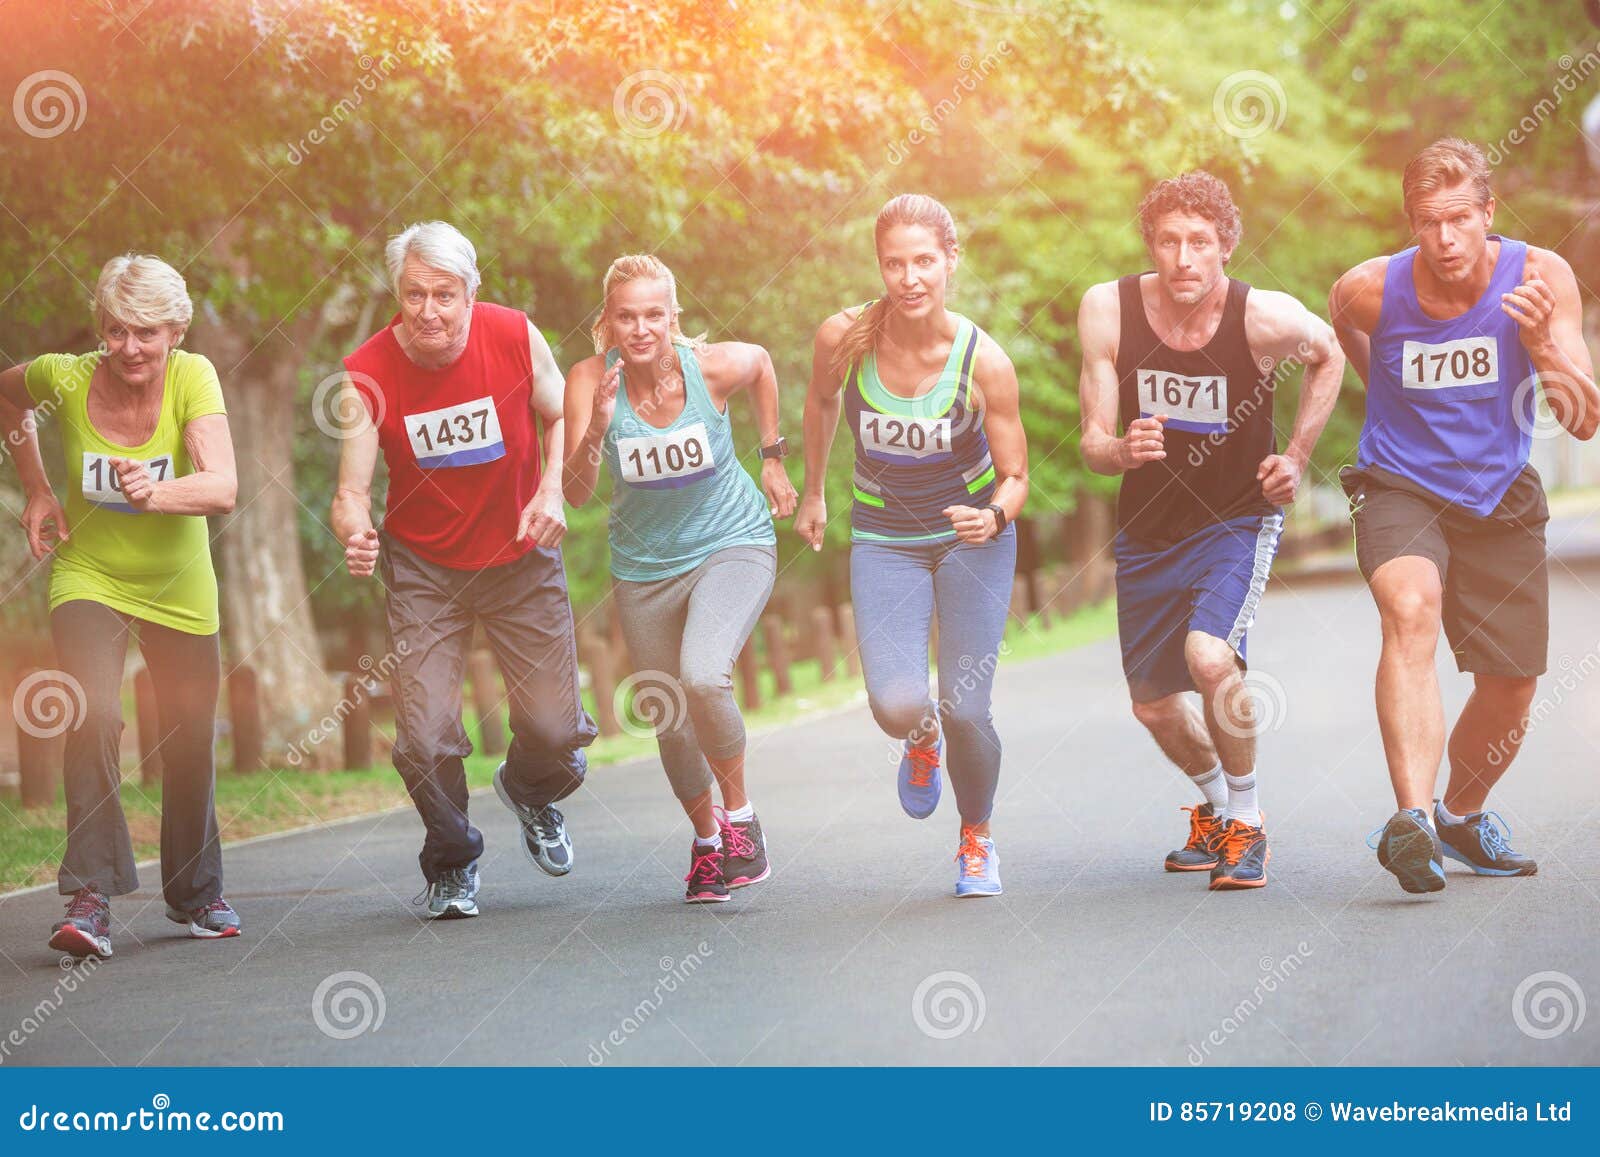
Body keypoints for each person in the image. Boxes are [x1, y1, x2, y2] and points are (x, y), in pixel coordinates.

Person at [1329, 139, 1598, 894]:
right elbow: (1343, 318)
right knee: (1410, 607)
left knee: (1512, 680)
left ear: (1488, 212)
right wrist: (1382, 384)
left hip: (1498, 489)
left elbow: (1583, 421)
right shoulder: (1373, 288)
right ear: (1410, 224)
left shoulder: (1542, 277)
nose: (1443, 239)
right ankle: (1411, 821)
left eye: (1457, 219)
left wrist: (1542, 342)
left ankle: (1460, 815)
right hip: (1399, 483)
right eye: (1426, 222)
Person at [1078, 171, 1344, 890]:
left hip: (1235, 519)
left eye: (1200, 242)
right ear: (1151, 246)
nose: (1183, 258)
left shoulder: (1264, 318)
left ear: (1227, 245)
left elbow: (1330, 355)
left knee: (1210, 658)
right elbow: (1092, 442)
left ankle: (1250, 825)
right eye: (1168, 241)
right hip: (1147, 530)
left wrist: (1295, 457)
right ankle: (1219, 806)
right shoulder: (1108, 311)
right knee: (1153, 705)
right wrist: (1121, 450)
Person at [332, 221, 597, 919]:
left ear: (471, 291)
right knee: (423, 733)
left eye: (444, 294)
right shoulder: (366, 371)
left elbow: (559, 413)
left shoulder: (513, 335)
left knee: (555, 728)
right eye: (414, 294)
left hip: (520, 551)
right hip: (425, 567)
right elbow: (350, 492)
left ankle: (531, 789)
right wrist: (356, 530)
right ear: (398, 293)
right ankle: (452, 861)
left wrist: (550, 488)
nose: (428, 311)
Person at [0, 255, 241, 957]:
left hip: (178, 581)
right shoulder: (64, 377)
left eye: (146, 332)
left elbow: (222, 485)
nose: (129, 347)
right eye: (114, 330)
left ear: (175, 330)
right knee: (94, 708)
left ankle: (196, 892)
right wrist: (39, 487)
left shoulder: (193, 377)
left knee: (190, 732)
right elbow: (7, 399)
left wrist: (157, 494)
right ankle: (90, 895)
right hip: (89, 575)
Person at [796, 193, 1029, 898]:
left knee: (968, 707)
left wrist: (992, 517)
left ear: (950, 260)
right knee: (898, 703)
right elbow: (820, 400)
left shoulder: (984, 360)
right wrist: (813, 490)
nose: (910, 277)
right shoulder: (844, 336)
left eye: (924, 260)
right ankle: (919, 737)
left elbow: (1016, 474)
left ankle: (977, 839)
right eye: (895, 263)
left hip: (971, 542)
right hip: (885, 538)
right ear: (880, 267)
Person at [564, 255, 795, 903]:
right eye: (626, 316)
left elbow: (763, 364)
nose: (641, 329)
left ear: (673, 318)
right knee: (667, 712)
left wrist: (772, 458)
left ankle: (741, 819)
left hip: (733, 541)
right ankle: (705, 842)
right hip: (644, 567)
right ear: (607, 322)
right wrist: (597, 432)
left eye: (654, 315)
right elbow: (575, 492)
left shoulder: (712, 365)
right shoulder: (588, 380)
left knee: (702, 673)